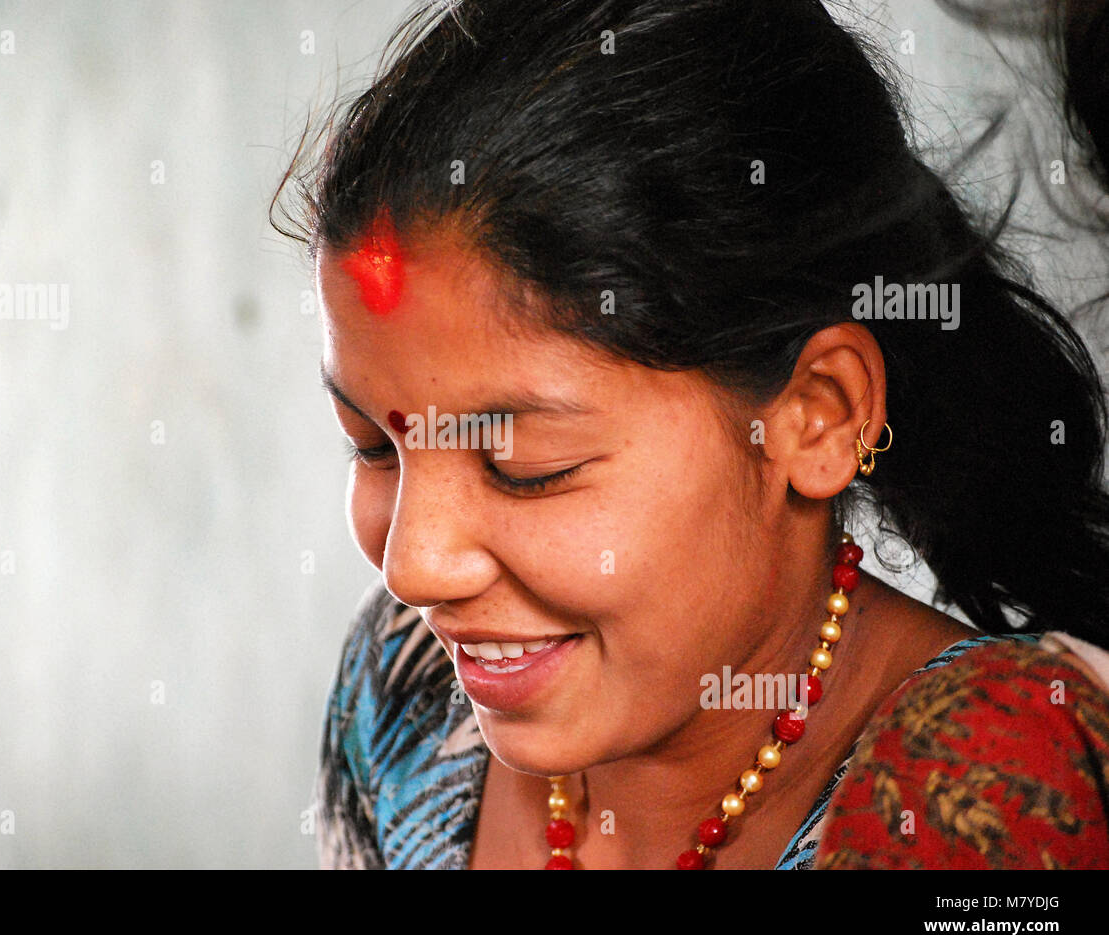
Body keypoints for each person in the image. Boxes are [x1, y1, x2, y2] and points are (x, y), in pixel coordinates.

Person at [270, 0, 1109, 868]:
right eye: (373, 445)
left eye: (526, 468)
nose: (414, 567)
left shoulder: (978, 792)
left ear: (815, 416)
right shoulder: (407, 694)